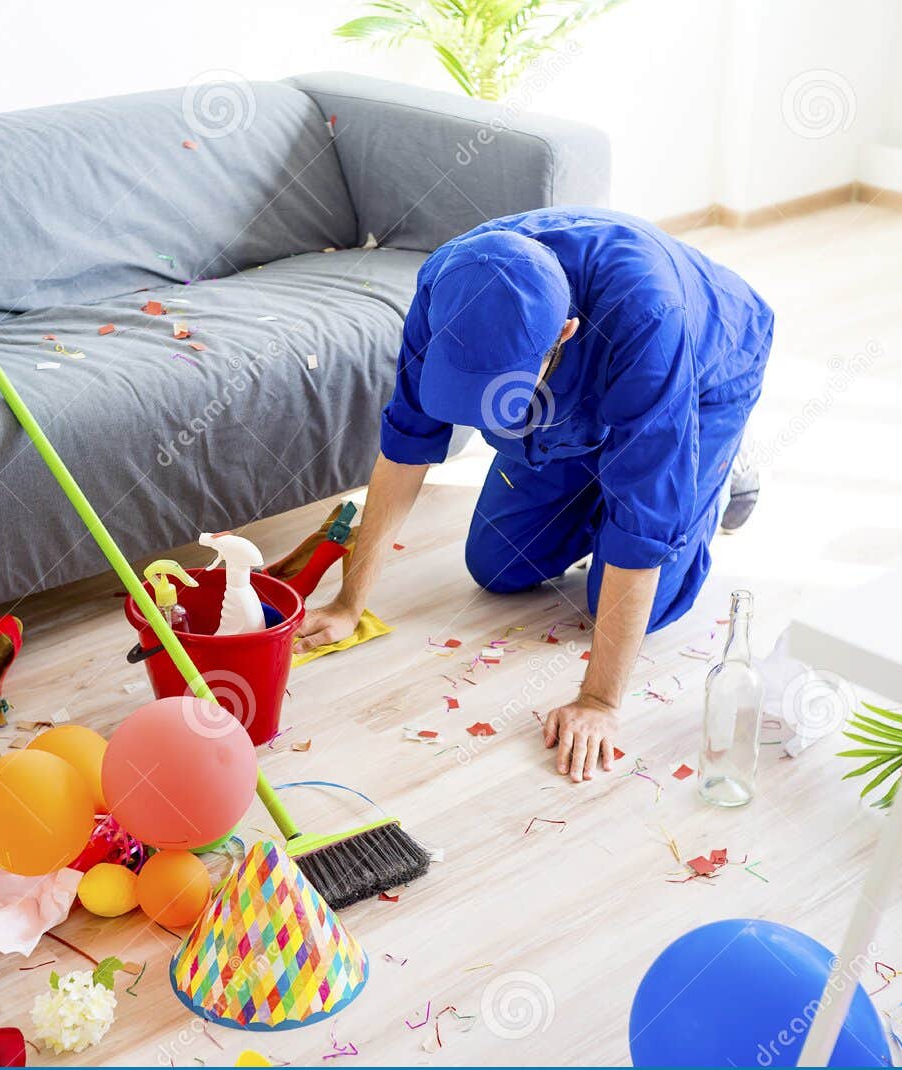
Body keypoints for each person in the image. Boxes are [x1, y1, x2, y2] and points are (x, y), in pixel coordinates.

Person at [294, 208, 774, 782]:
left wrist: (598, 702)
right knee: (496, 567)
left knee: (625, 600)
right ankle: (606, 468)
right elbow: (406, 448)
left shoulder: (650, 317)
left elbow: (644, 529)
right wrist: (350, 604)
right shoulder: (449, 284)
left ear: (564, 333)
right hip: (577, 399)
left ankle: (719, 469)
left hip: (704, 377)